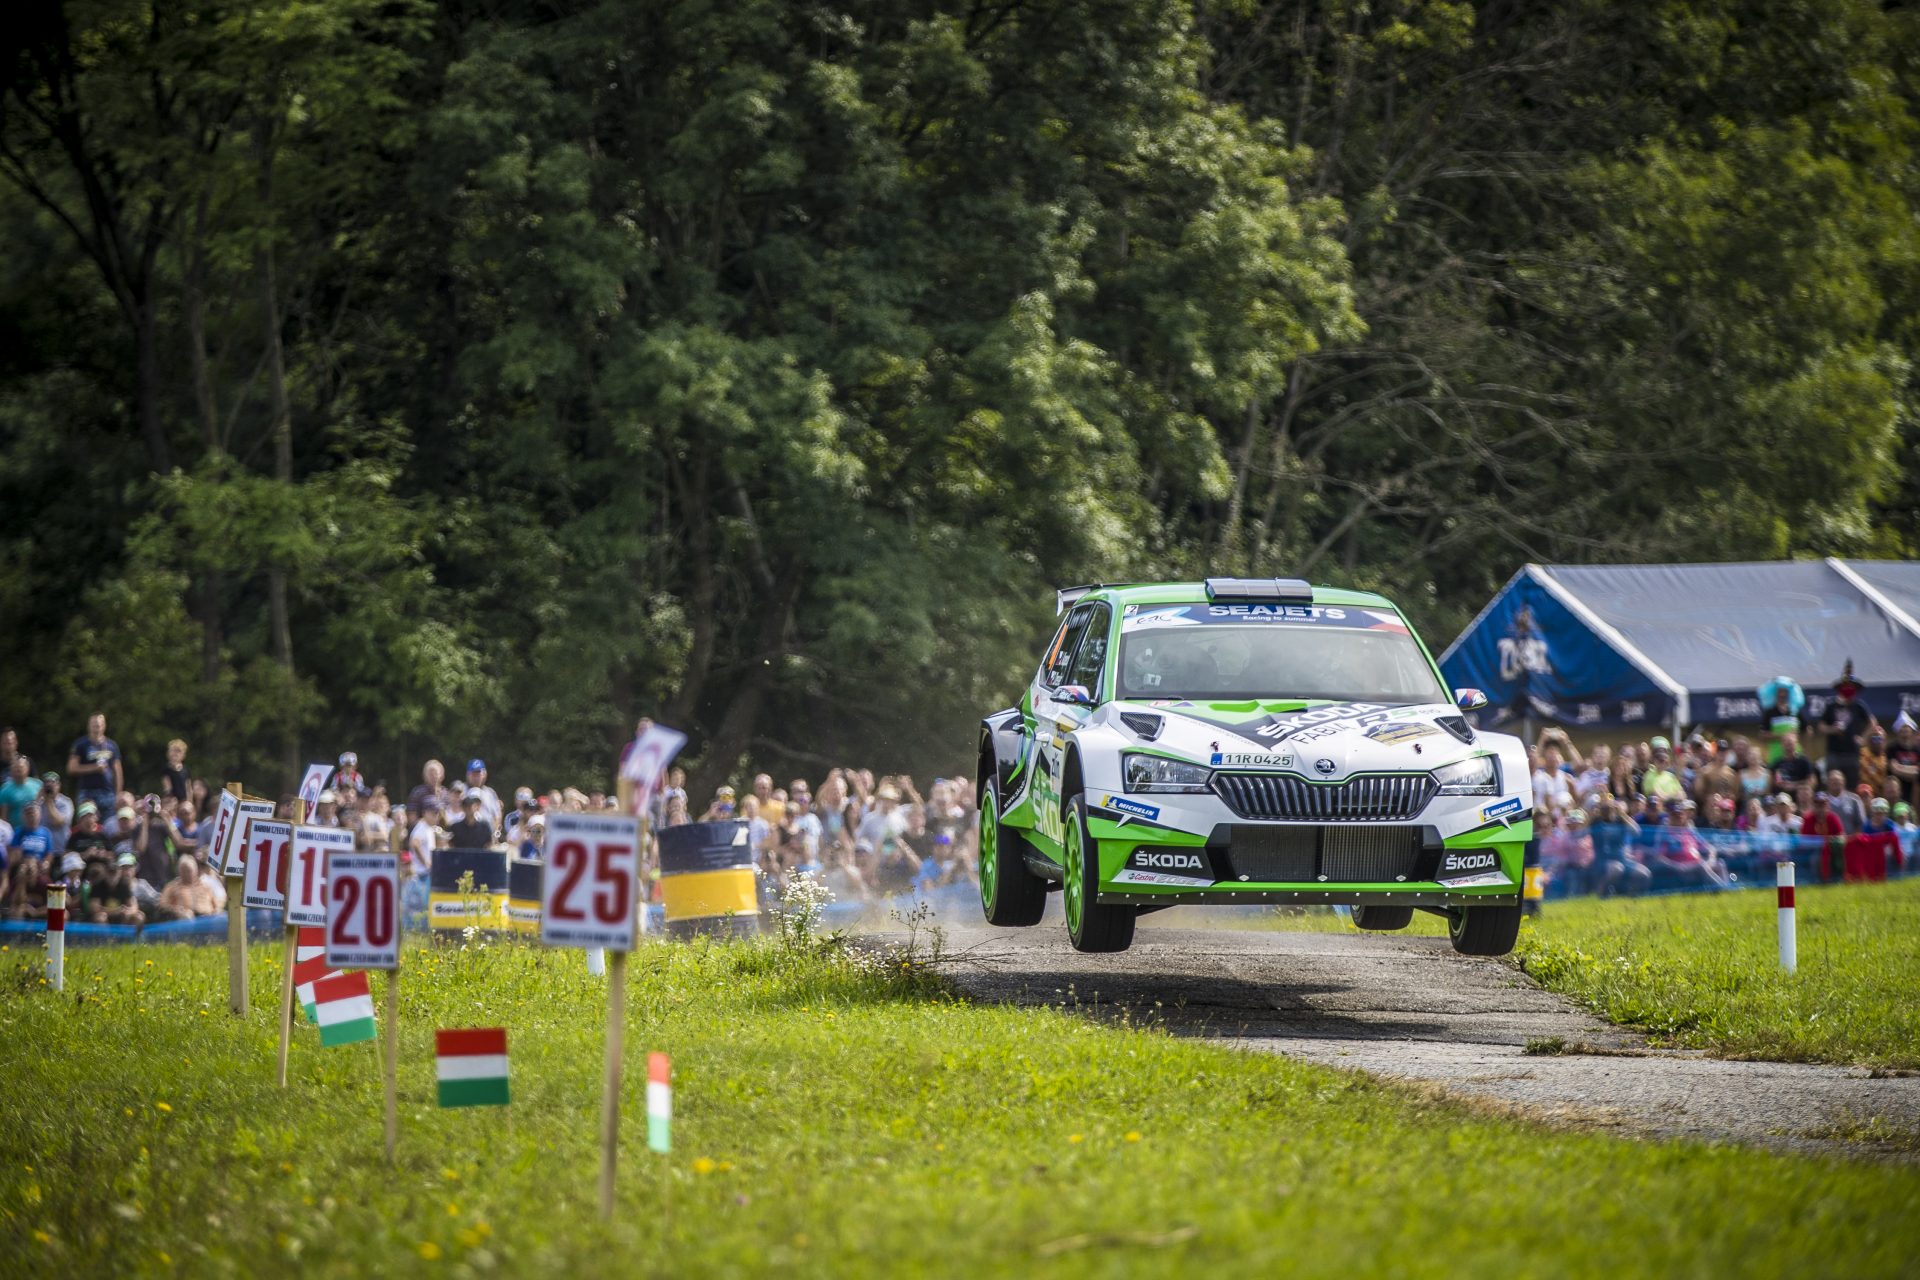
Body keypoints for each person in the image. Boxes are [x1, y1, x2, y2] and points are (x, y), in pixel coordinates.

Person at [1818, 664, 1872, 788]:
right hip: (1834, 753)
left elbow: (1872, 722)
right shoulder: (1831, 705)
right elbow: (1821, 726)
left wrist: (1863, 738)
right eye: (1845, 686)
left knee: (1852, 784)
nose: (1848, 689)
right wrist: (1832, 729)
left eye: (1851, 687)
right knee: (1832, 783)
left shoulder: (1859, 706)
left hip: (1852, 753)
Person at [66, 713, 124, 811]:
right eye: (94, 725)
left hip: (107, 793)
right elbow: (71, 768)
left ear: (104, 726)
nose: (97, 728)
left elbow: (117, 771)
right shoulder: (80, 744)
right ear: (88, 726)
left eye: (99, 725)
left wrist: (118, 794)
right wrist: (94, 768)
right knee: (87, 822)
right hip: (87, 792)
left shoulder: (112, 745)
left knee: (107, 824)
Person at [86, 850, 144, 925]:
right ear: (105, 873)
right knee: (100, 917)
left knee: (139, 916)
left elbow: (134, 906)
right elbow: (94, 908)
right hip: (105, 916)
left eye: (115, 873)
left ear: (119, 873)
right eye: (110, 872)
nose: (112, 876)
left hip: (120, 916)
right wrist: (115, 911)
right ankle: (104, 937)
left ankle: (129, 936)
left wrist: (127, 911)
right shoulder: (98, 885)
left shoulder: (124, 884)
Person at [155, 854, 221, 919]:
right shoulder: (172, 887)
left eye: (190, 870)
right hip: (184, 920)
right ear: (179, 871)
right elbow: (162, 905)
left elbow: (217, 906)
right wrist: (175, 910)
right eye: (184, 870)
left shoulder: (205, 886)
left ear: (196, 870)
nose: (187, 873)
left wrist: (216, 912)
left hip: (207, 918)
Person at [1800, 790, 1846, 882]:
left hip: (1832, 850)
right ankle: (1817, 881)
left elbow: (1841, 836)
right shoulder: (1808, 819)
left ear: (1827, 805)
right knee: (1815, 859)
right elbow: (1804, 839)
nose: (1820, 807)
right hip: (1813, 851)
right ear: (1814, 805)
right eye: (1818, 804)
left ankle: (1837, 879)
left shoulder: (1833, 817)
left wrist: (1831, 841)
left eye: (1823, 804)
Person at [0, 755, 41, 827]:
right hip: (15, 832)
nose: (18, 770)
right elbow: (4, 817)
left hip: (36, 832)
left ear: (27, 768)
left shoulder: (38, 785)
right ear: (11, 769)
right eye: (15, 768)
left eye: (21, 767)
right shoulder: (5, 789)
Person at [1822, 769, 1866, 835]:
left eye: (1838, 782)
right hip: (1827, 842)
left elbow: (1861, 823)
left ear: (1843, 782)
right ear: (1827, 783)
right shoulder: (1821, 801)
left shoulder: (1854, 799)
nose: (1835, 784)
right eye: (1832, 782)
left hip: (1850, 841)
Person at [159, 738, 190, 803]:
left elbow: (188, 788)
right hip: (172, 801)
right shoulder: (166, 769)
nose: (175, 753)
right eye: (172, 750)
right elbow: (167, 787)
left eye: (178, 751)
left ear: (183, 755)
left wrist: (189, 802)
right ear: (168, 753)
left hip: (184, 801)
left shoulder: (185, 770)